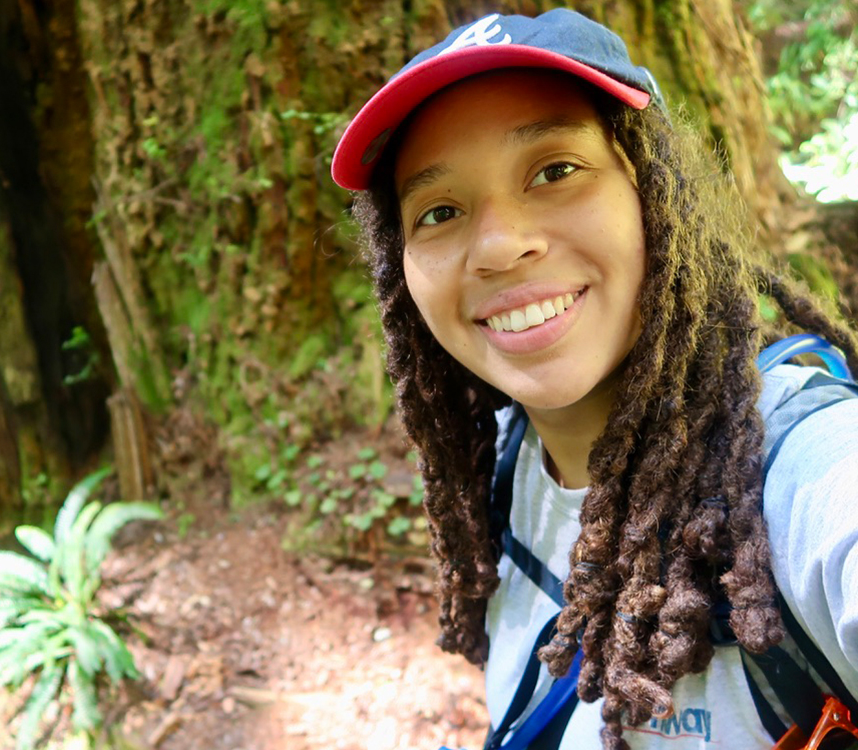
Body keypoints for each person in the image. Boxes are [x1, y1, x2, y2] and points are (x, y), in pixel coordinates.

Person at [330, 9, 858, 750]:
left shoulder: (803, 470)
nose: (501, 246)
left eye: (555, 170)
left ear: (653, 193)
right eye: (439, 211)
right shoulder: (500, 466)